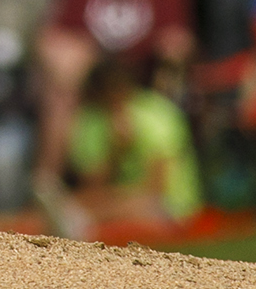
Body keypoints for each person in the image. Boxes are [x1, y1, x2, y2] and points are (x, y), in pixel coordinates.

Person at [33, 0, 193, 194]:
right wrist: (74, 57)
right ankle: (47, 187)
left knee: (143, 111)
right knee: (62, 86)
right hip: (90, 93)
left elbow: (180, 44)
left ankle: (154, 199)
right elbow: (49, 42)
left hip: (139, 90)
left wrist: (173, 51)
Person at [48, 56, 202, 239]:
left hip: (171, 206)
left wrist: (114, 197)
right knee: (75, 201)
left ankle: (78, 223)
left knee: (134, 205)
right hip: (120, 198)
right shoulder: (93, 120)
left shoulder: (157, 115)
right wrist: (116, 152)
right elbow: (92, 185)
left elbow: (157, 190)